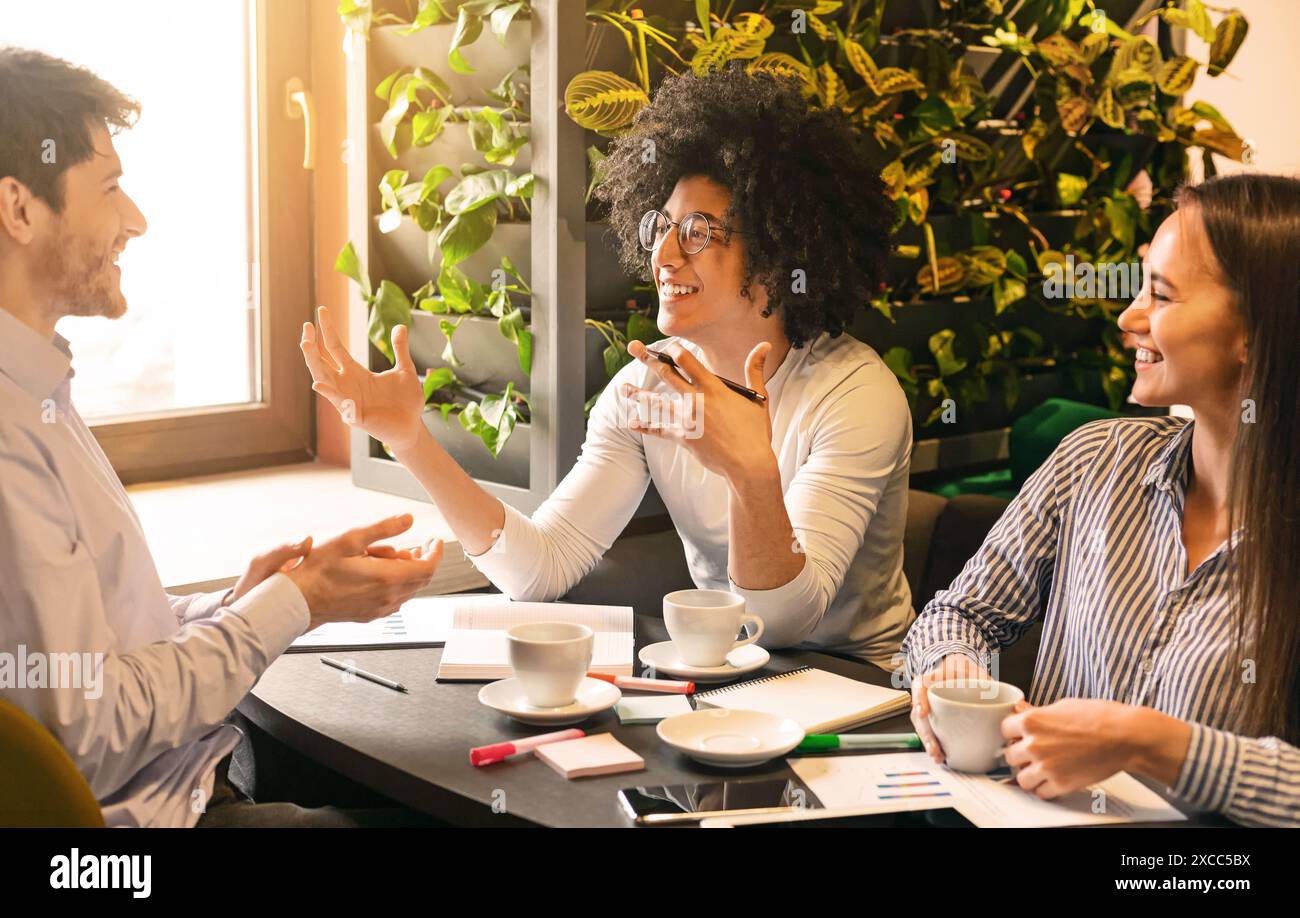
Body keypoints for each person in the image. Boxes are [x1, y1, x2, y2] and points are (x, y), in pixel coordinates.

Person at [302, 66, 914, 668]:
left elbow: (780, 621)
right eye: (661, 226)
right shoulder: (643, 388)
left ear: (781, 256)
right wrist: (408, 438)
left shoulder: (855, 395)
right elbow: (538, 570)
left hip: (863, 689)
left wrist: (751, 474)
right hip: (726, 675)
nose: (664, 254)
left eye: (699, 231)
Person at [0, 47, 443, 827]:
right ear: (20, 209)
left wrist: (239, 603)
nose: (135, 219)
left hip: (190, 781)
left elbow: (98, 656)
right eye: (109, 188)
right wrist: (291, 603)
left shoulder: (37, 391)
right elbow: (87, 734)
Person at [904, 173, 1300, 827]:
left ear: (1253, 334)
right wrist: (953, 674)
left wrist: (1149, 743)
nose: (1127, 316)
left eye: (1162, 294)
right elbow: (960, 614)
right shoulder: (1094, 459)